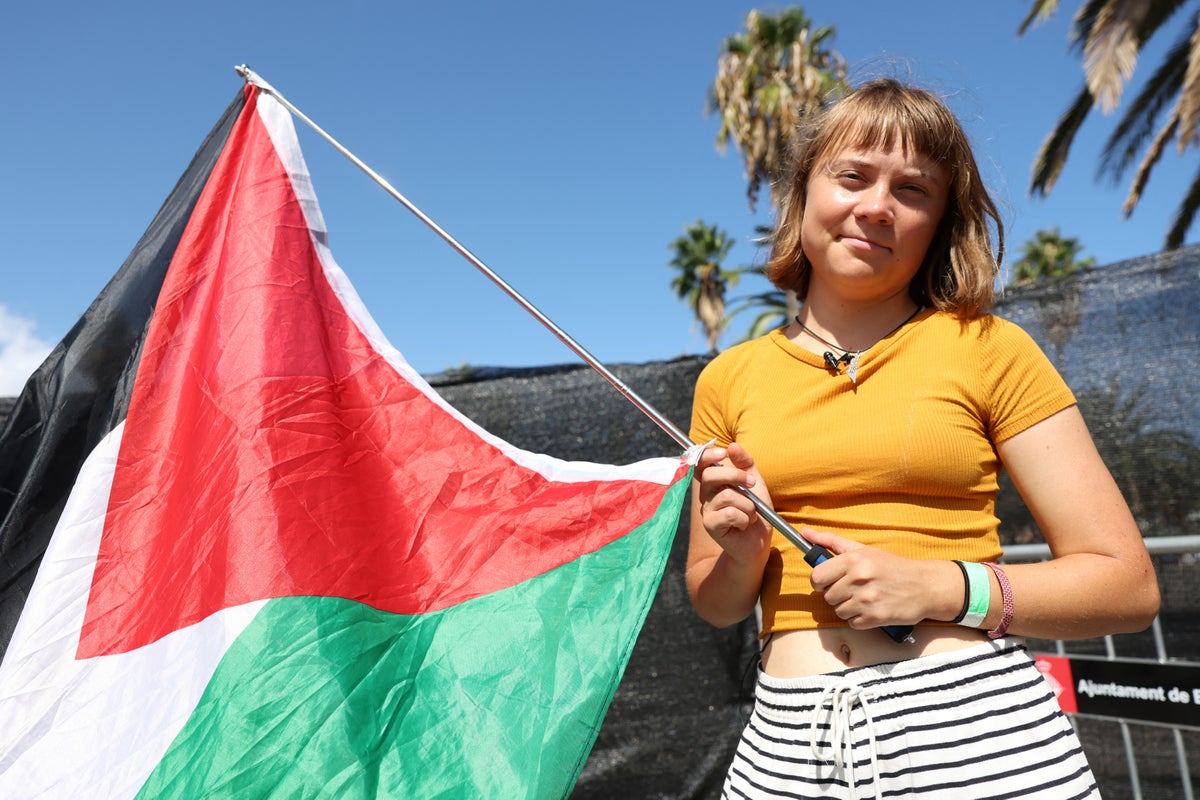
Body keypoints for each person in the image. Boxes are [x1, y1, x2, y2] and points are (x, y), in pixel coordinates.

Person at [687, 78, 1160, 800]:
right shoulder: (727, 378)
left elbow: (1126, 585)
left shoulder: (990, 348)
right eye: (851, 176)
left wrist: (941, 585)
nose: (876, 206)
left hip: (979, 741)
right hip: (784, 750)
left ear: (939, 221)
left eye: (913, 190)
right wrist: (744, 553)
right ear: (803, 192)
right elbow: (716, 603)